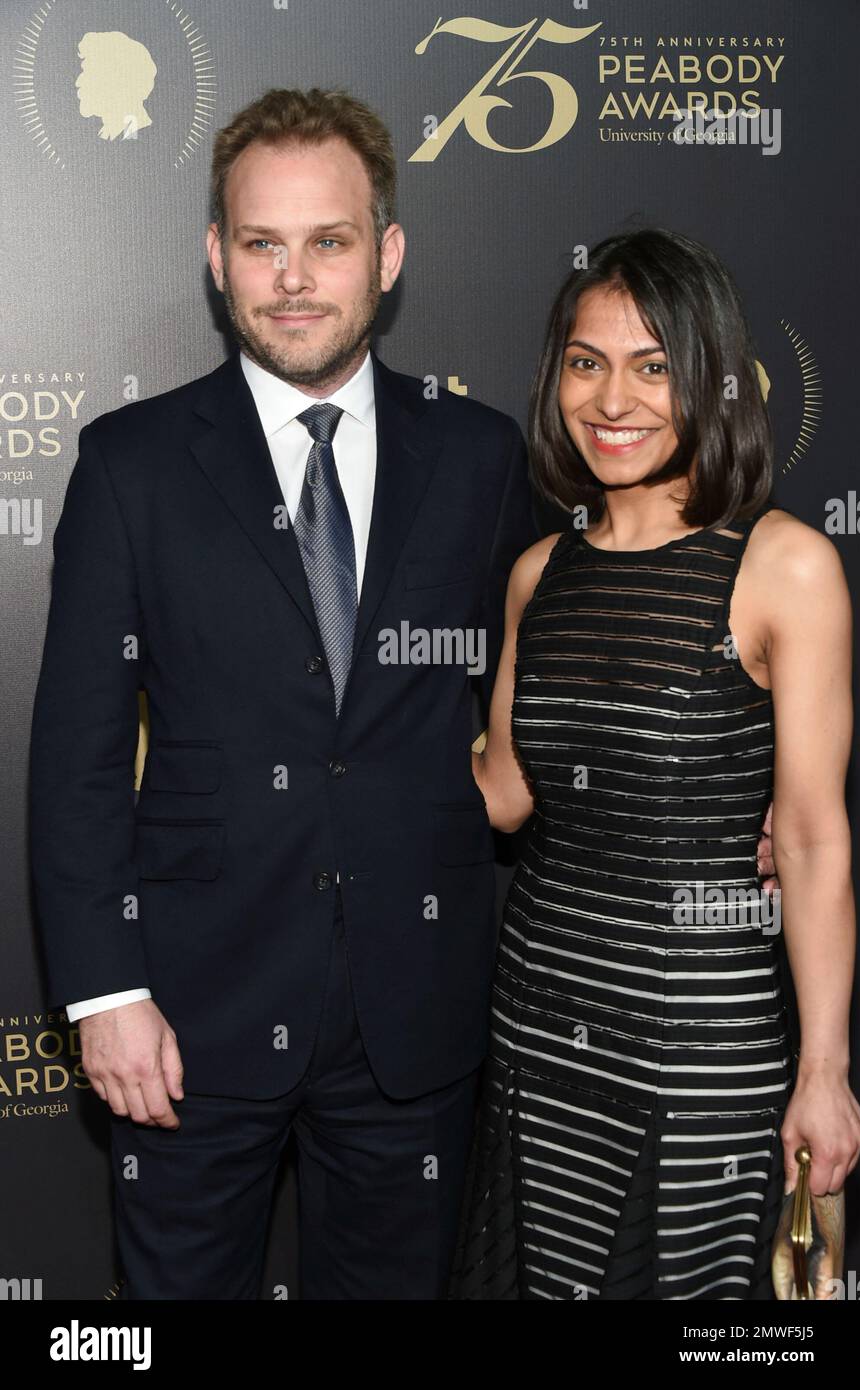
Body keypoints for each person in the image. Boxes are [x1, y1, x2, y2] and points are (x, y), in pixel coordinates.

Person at [28, 87, 538, 1300]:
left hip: (414, 1015)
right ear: (218, 258)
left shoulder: (480, 459)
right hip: (189, 1015)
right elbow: (78, 757)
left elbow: (546, 695)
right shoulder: (130, 465)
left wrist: (739, 803)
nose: (295, 278)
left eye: (330, 241)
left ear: (388, 255)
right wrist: (107, 991)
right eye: (263, 243)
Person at [450, 228, 860, 1300]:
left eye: (653, 366)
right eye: (586, 362)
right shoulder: (541, 573)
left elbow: (813, 833)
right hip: (541, 1038)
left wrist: (824, 1068)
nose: (612, 399)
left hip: (701, 1054)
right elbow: (502, 797)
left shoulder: (784, 566)